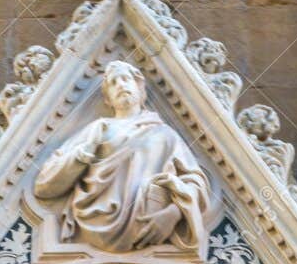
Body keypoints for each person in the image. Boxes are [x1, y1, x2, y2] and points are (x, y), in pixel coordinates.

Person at [34, 59, 210, 253]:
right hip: (94, 221)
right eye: (114, 83)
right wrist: (85, 153)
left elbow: (196, 182)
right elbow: (44, 186)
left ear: (140, 88)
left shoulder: (164, 134)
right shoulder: (97, 130)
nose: (121, 85)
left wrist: (173, 213)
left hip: (149, 221)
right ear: (107, 99)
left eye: (126, 79)